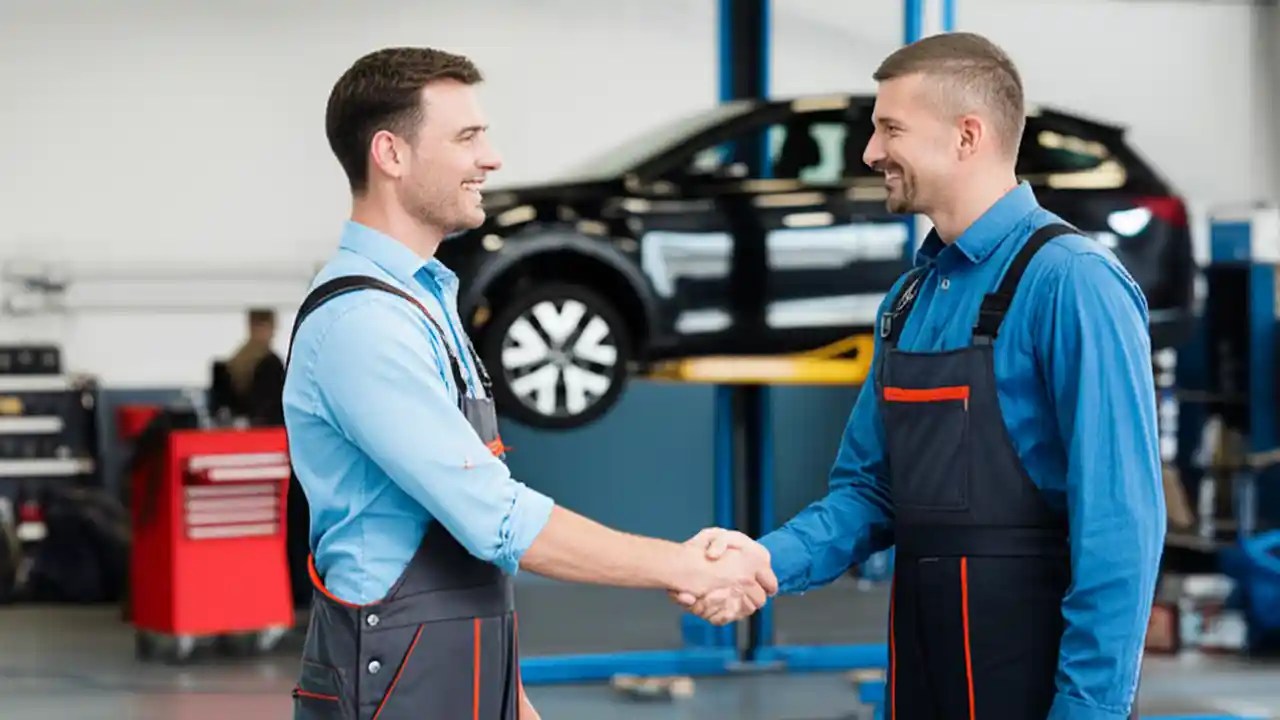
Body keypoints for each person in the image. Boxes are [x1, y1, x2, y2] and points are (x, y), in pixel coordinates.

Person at [678, 32, 1165, 720]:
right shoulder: (910, 300)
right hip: (922, 671)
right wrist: (764, 561)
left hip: (1034, 682)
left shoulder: (1072, 284)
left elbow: (1120, 527)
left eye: (889, 128)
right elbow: (870, 491)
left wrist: (1088, 709)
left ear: (967, 136)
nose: (871, 152)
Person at [281, 47, 776, 720]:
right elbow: (495, 518)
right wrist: (684, 567)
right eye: (467, 137)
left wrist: (511, 696)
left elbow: (453, 541)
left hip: (453, 672)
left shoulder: (424, 304)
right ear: (391, 155)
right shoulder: (362, 323)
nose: (492, 159)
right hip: (394, 685)